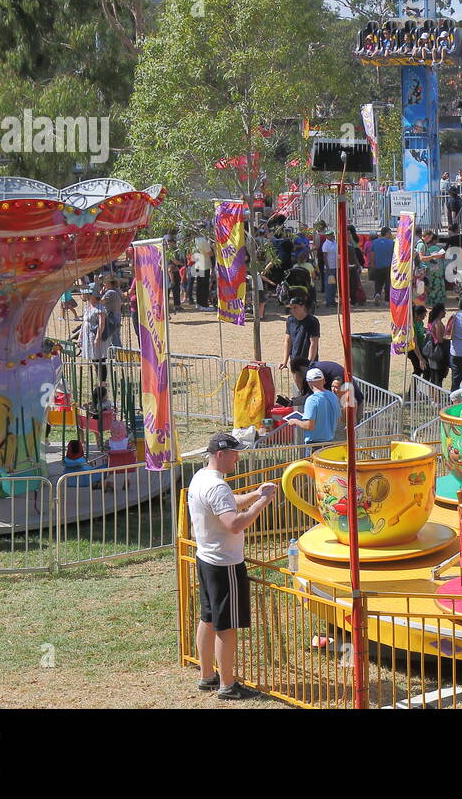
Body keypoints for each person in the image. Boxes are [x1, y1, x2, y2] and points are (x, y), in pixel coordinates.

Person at [189, 433, 276, 700]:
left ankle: (207, 676)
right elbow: (234, 523)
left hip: (206, 559)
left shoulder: (201, 478)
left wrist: (253, 494)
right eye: (234, 453)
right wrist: (263, 502)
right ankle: (228, 685)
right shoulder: (216, 486)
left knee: (209, 618)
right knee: (226, 626)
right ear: (220, 454)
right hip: (225, 564)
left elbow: (227, 505)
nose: (238, 457)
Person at [285, 369, 340, 444]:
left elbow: (309, 426)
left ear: (309, 383)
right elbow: (338, 417)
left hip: (314, 444)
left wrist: (295, 421)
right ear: (323, 380)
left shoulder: (312, 400)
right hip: (330, 441)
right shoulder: (333, 396)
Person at [280, 298, 320, 373]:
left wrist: (309, 363)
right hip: (294, 359)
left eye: (295, 307)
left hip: (308, 359)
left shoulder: (313, 321)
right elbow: (288, 341)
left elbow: (314, 343)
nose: (292, 310)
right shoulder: (290, 320)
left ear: (303, 307)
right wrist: (285, 361)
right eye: (291, 308)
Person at [80, 290, 111, 385]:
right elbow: (84, 323)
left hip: (96, 337)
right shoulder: (88, 307)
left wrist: (98, 337)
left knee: (100, 359)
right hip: (88, 337)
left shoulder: (99, 308)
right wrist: (80, 337)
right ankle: (99, 380)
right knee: (94, 359)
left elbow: (102, 323)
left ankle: (102, 382)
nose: (84, 295)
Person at [416, 229, 448, 309]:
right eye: (430, 237)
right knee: (421, 287)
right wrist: (434, 256)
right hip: (422, 269)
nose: (430, 239)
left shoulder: (423, 244)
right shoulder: (422, 245)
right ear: (427, 236)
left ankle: (421, 304)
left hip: (424, 268)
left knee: (423, 287)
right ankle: (420, 304)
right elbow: (422, 258)